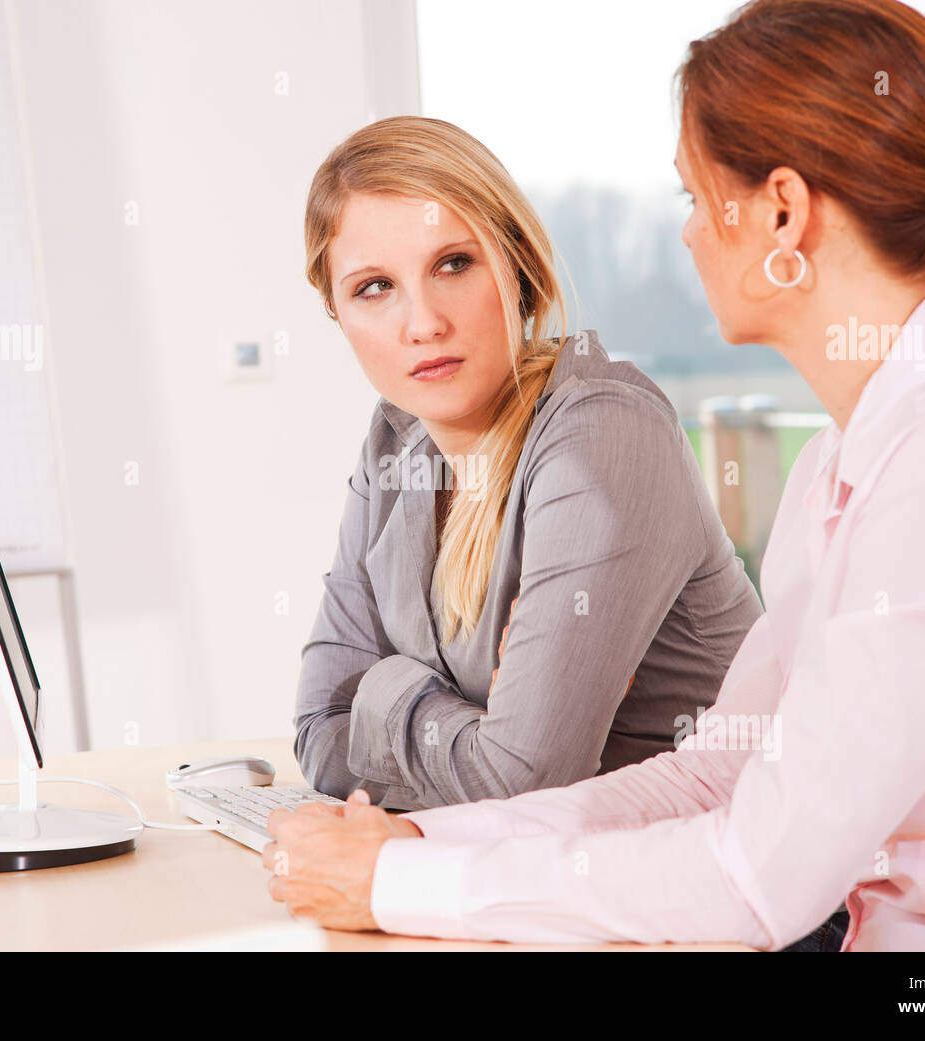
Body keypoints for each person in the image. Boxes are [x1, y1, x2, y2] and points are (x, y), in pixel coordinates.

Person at [262, 0, 925, 951]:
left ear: (782, 211)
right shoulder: (841, 460)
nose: (690, 235)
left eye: (695, 198)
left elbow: (754, 878)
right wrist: (409, 842)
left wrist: (402, 883)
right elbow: (712, 776)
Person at [293, 117, 762, 812]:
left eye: (453, 264)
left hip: (719, 896)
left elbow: (523, 782)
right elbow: (318, 733)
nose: (422, 323)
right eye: (374, 287)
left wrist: (384, 690)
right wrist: (477, 726)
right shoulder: (397, 442)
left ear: (516, 266)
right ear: (336, 312)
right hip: (544, 891)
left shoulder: (602, 431)